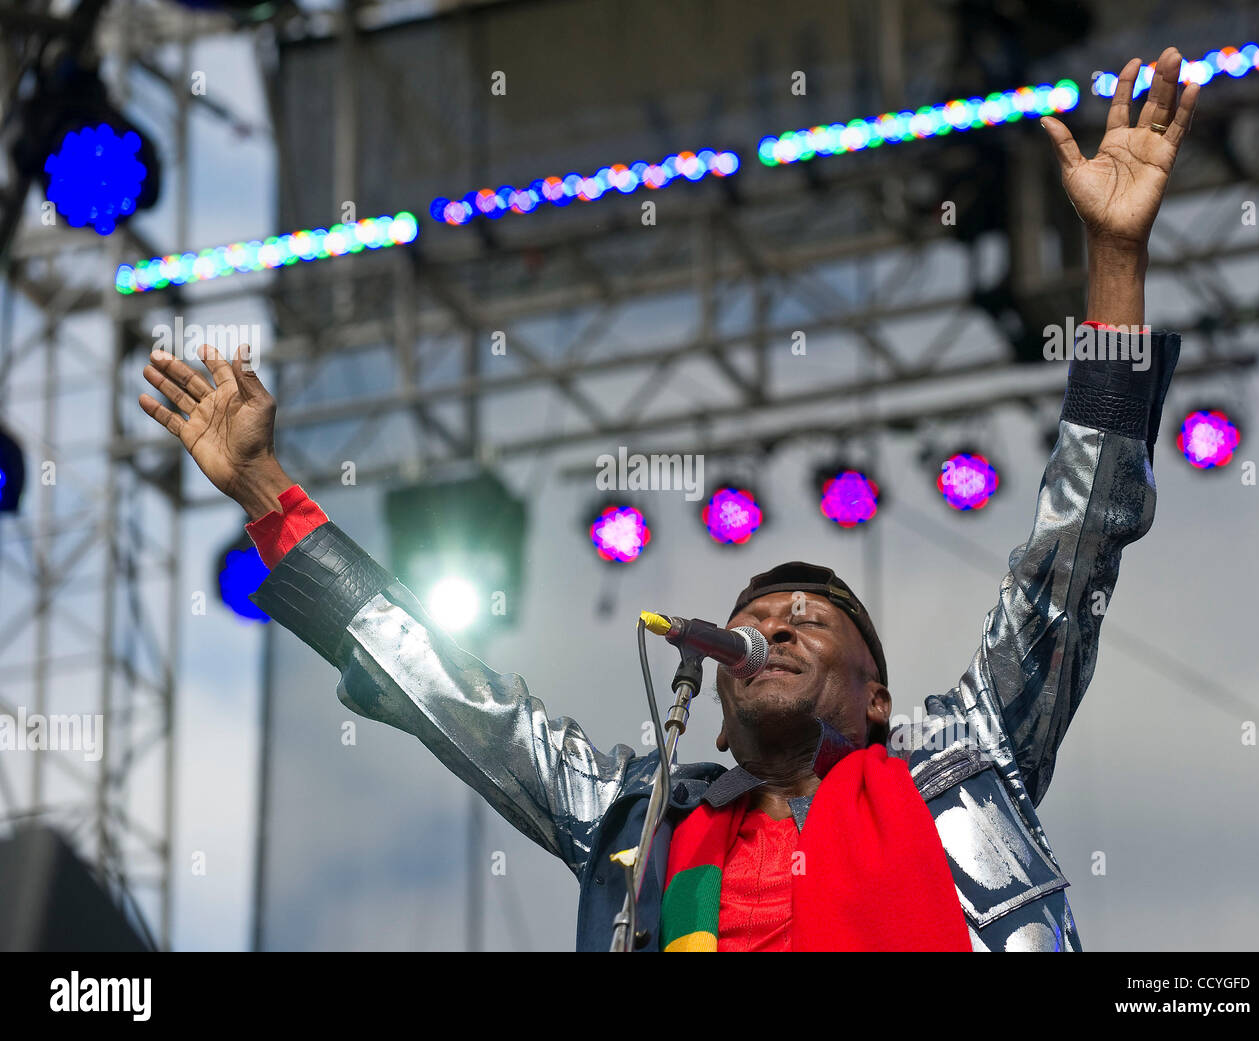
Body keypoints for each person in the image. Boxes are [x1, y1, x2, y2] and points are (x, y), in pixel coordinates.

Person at [138, 50, 1198, 951]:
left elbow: (1078, 539)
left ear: (878, 701)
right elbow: (450, 698)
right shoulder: (638, 824)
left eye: (809, 622)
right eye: (753, 619)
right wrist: (264, 490)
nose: (769, 629)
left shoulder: (974, 756)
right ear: (717, 712)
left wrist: (1112, 258)